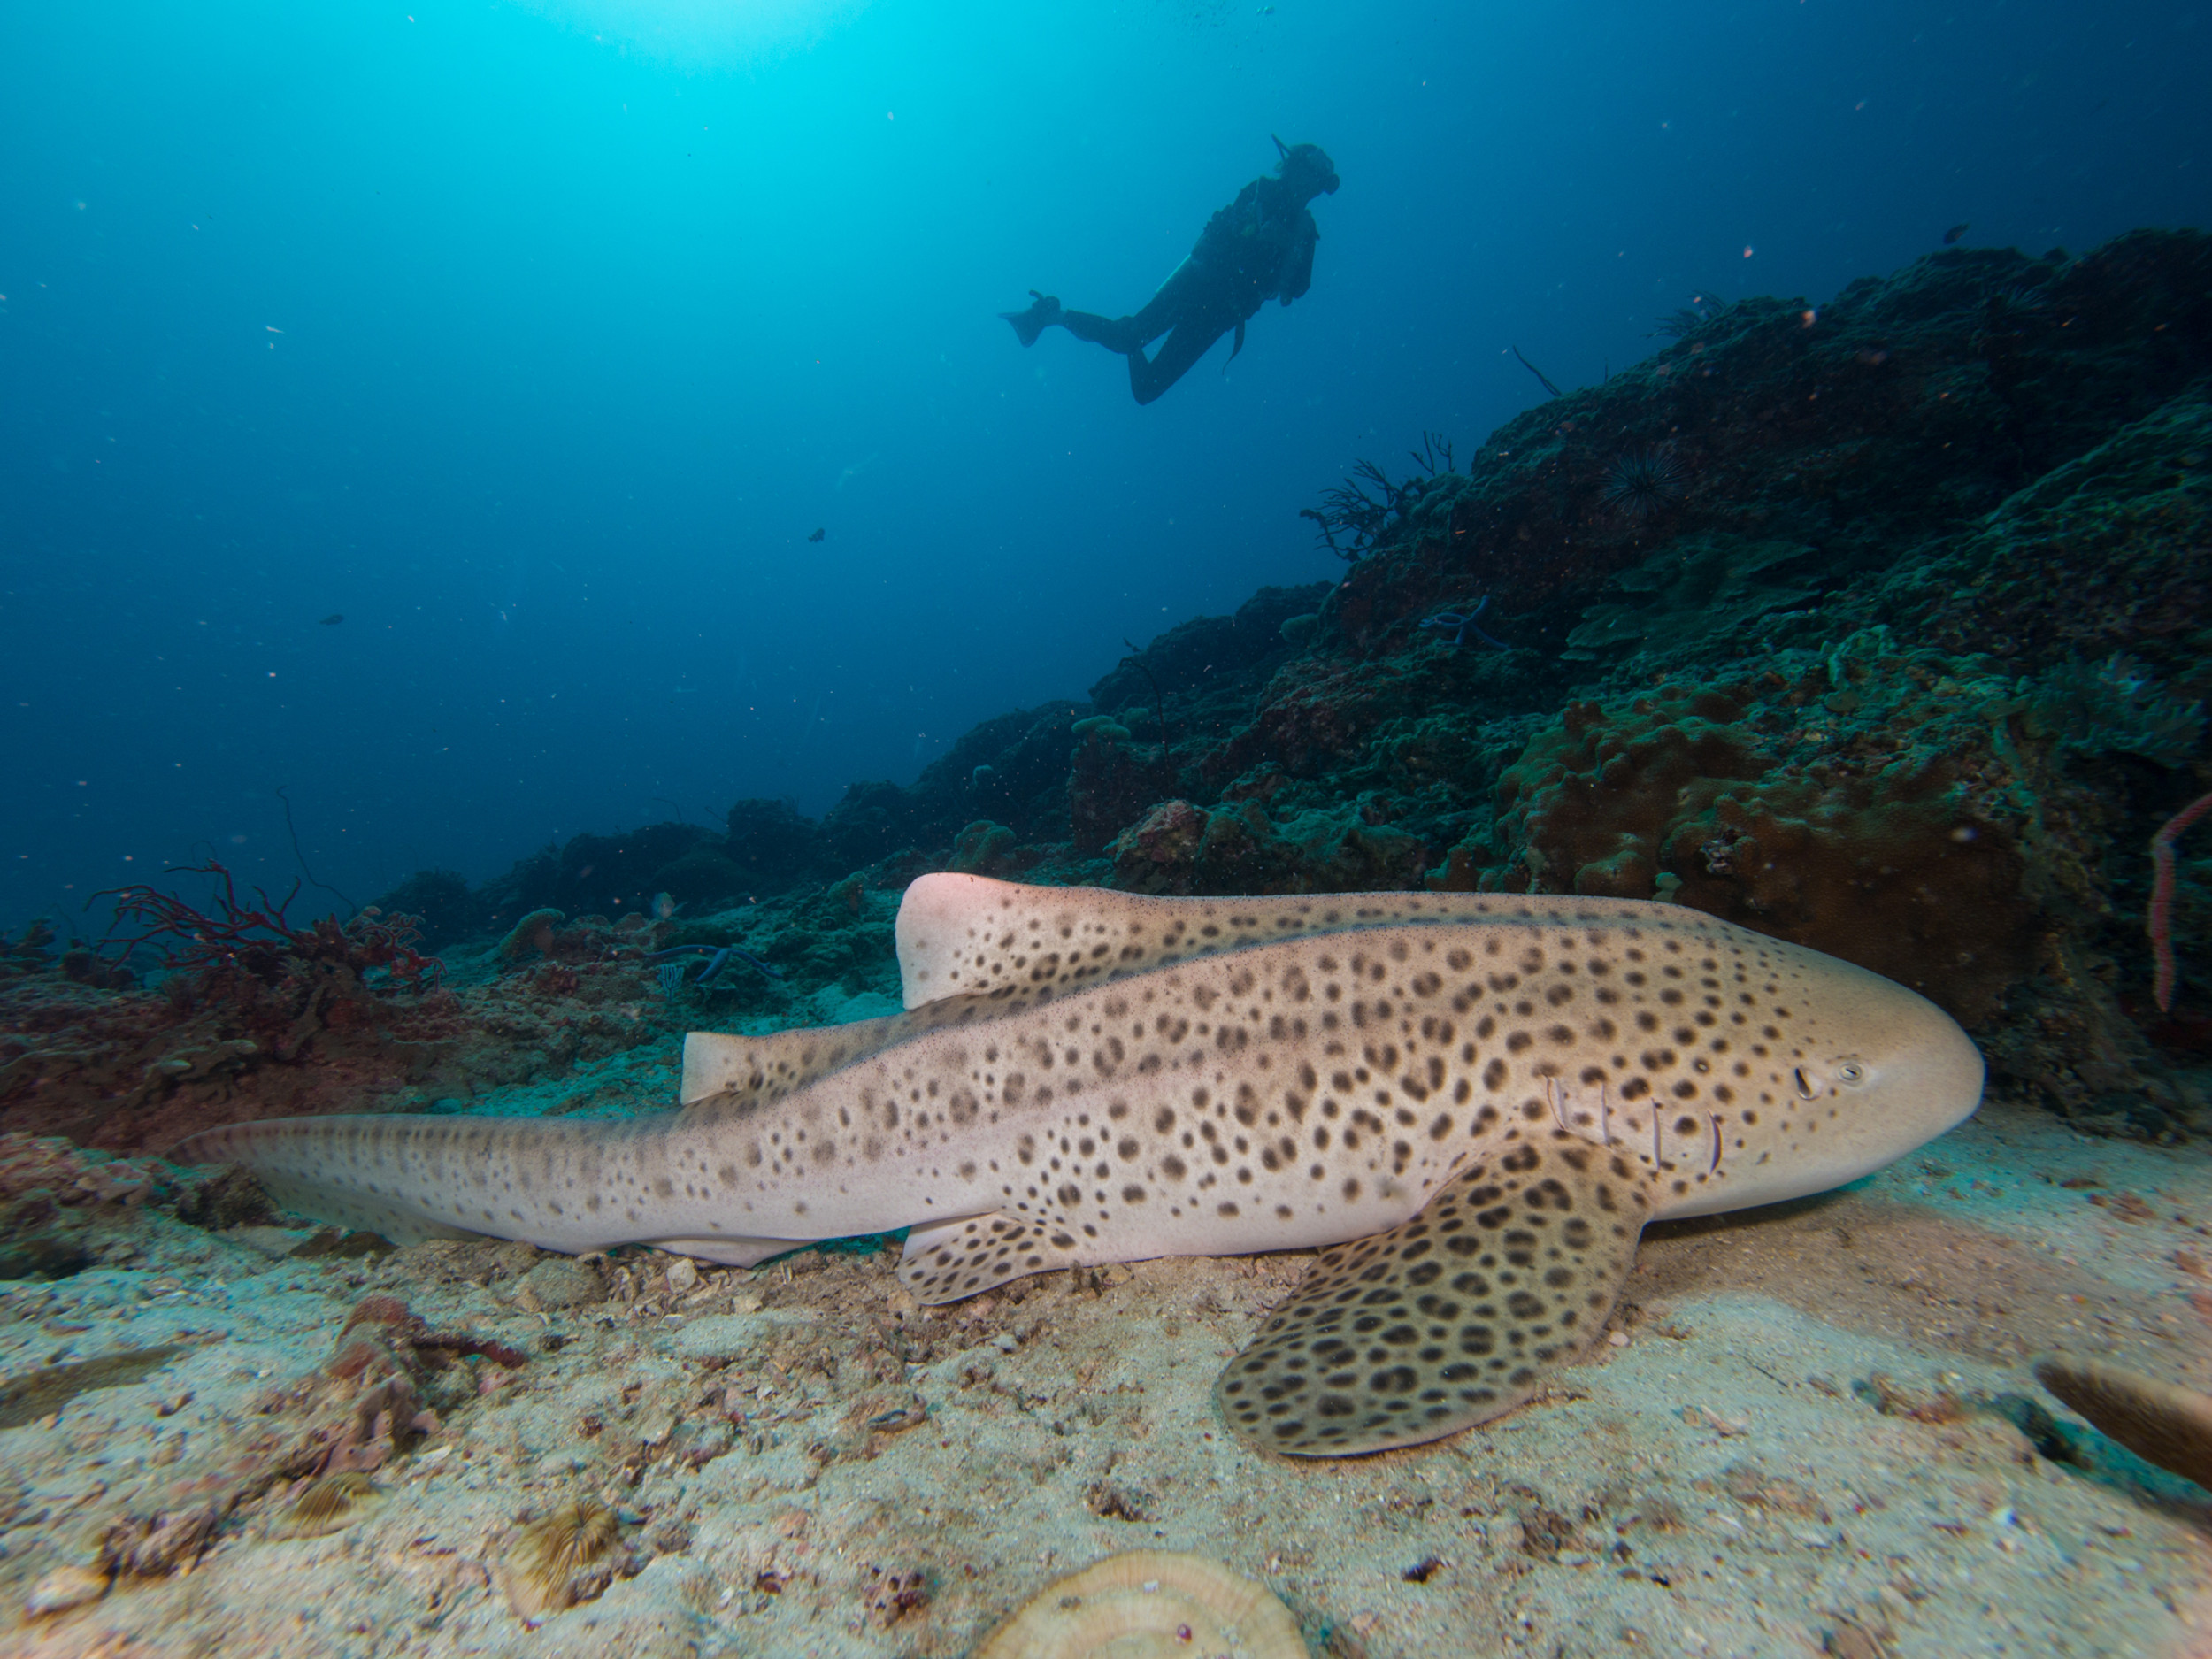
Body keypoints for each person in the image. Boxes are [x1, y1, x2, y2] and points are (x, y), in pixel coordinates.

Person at [1002, 138, 1339, 405]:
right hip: (1198, 283)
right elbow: (1227, 235)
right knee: (1129, 338)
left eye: (1318, 182)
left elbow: (1296, 289)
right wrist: (1260, 236)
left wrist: (1288, 245)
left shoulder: (1304, 231)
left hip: (1222, 313)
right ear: (1294, 169)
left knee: (1146, 390)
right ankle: (1054, 315)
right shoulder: (1261, 191)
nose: (1312, 187)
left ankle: (1124, 334)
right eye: (1311, 176)